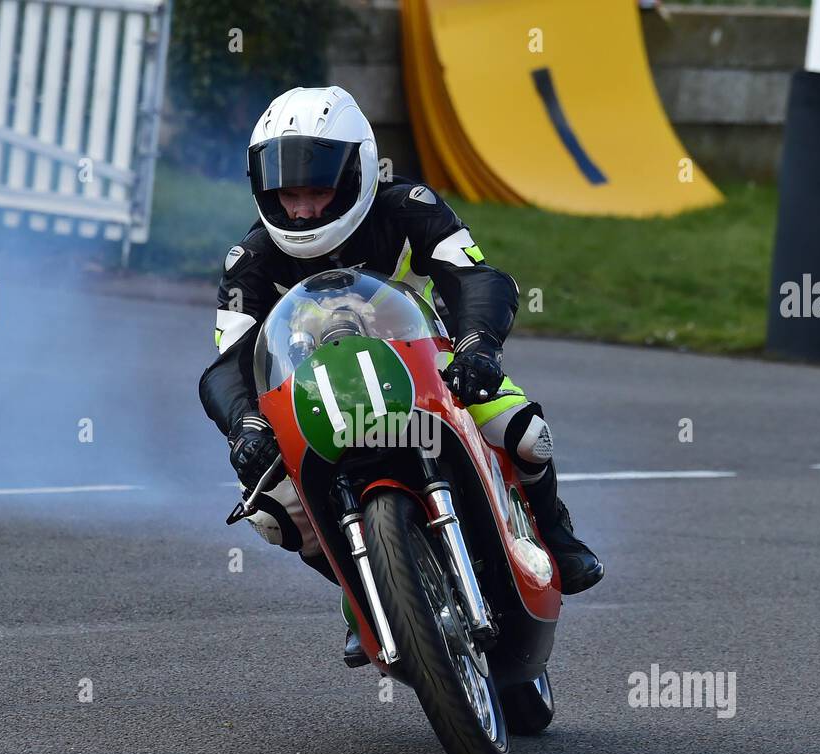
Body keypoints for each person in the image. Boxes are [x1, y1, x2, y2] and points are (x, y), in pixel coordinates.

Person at [199, 86, 603, 665]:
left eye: (318, 190)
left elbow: (478, 279)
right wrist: (245, 427)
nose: (304, 210)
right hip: (318, 401)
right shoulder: (252, 261)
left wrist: (478, 347)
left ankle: (556, 536)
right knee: (268, 513)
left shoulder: (410, 207)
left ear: (357, 173)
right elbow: (226, 364)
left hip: (435, 369)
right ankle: (364, 592)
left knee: (525, 434)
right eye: (290, 193)